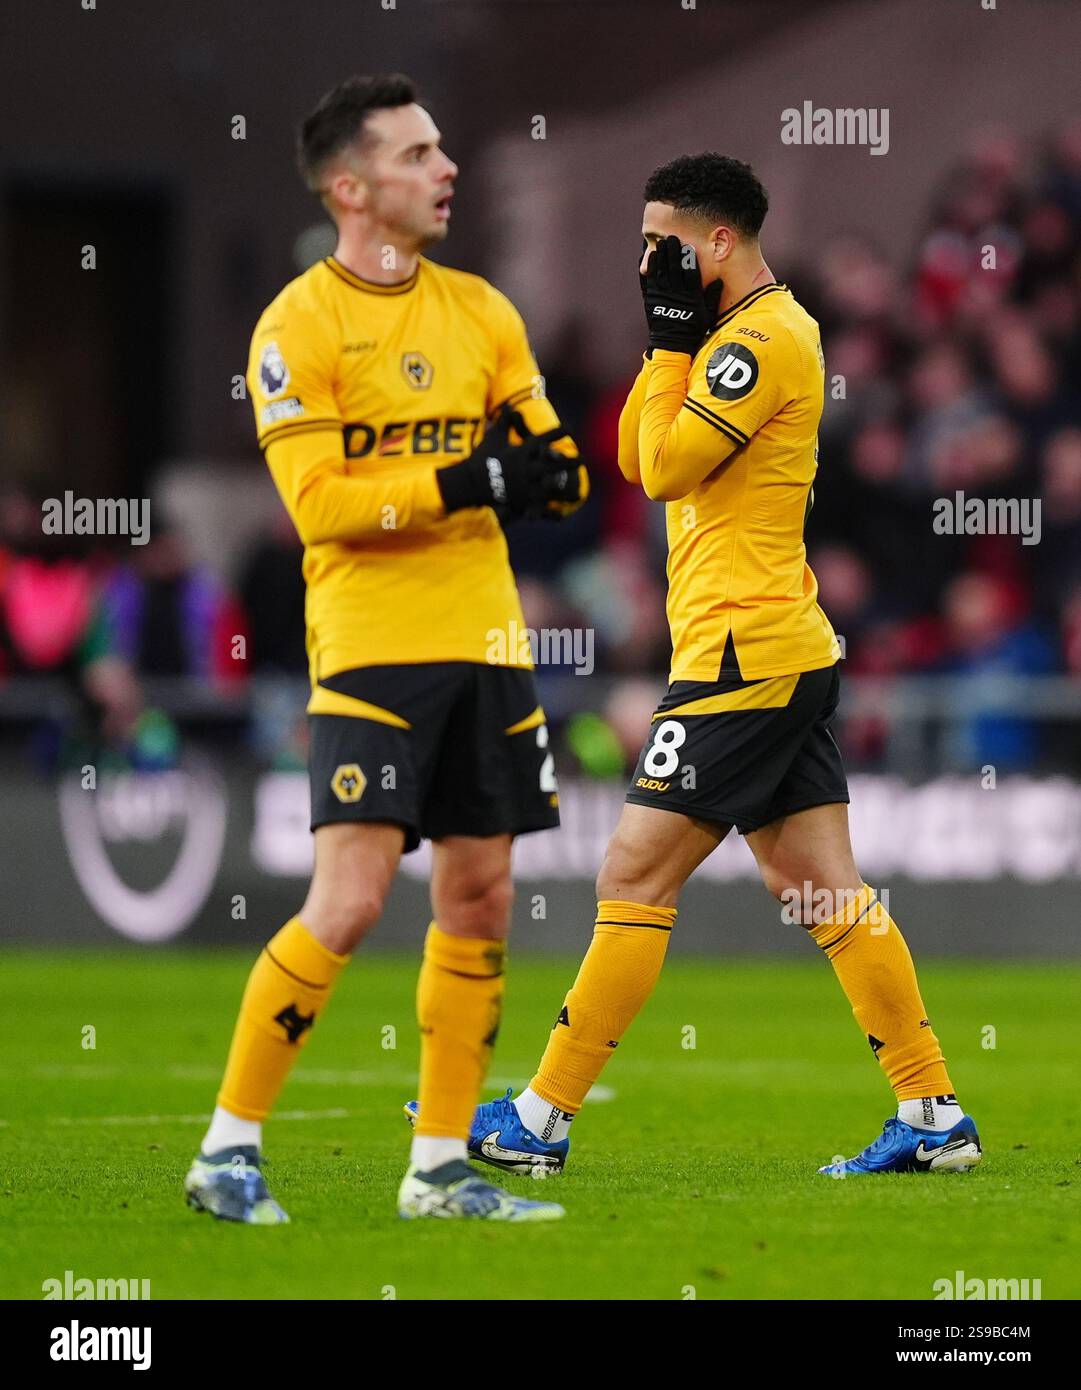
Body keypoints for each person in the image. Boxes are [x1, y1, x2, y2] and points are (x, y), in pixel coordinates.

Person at [411, 153, 982, 1183]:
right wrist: (668, 339)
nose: (645, 261)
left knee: (631, 873)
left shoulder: (764, 336)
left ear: (717, 241)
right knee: (822, 892)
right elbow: (634, 455)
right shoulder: (715, 336)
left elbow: (669, 462)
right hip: (769, 648)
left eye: (660, 243)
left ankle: (540, 1119)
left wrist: (676, 344)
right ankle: (934, 1110)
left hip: (740, 655)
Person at [184, 73, 586, 1224]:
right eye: (417, 155)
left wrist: (550, 470)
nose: (445, 169)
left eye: (441, 149)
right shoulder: (296, 326)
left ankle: (439, 1167)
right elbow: (320, 505)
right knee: (351, 900)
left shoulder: (484, 312)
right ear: (350, 187)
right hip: (371, 646)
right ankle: (227, 1147)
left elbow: (547, 451)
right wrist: (471, 477)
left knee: (480, 898)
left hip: (488, 637)